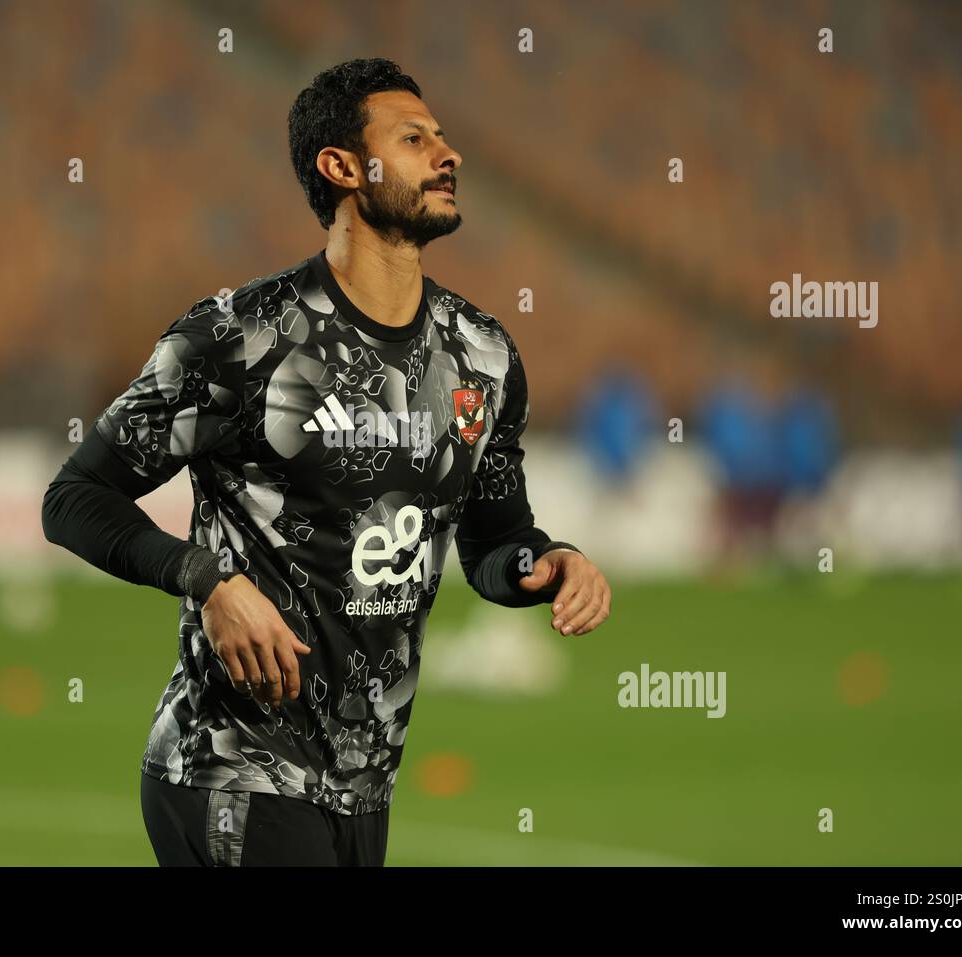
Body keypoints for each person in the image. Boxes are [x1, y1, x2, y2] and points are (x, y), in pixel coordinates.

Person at [42, 57, 612, 867]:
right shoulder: (241, 339)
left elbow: (495, 540)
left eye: (443, 138)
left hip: (364, 788)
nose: (447, 155)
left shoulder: (482, 355)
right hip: (231, 769)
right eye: (414, 139)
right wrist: (207, 578)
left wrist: (549, 561)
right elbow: (73, 496)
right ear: (342, 168)